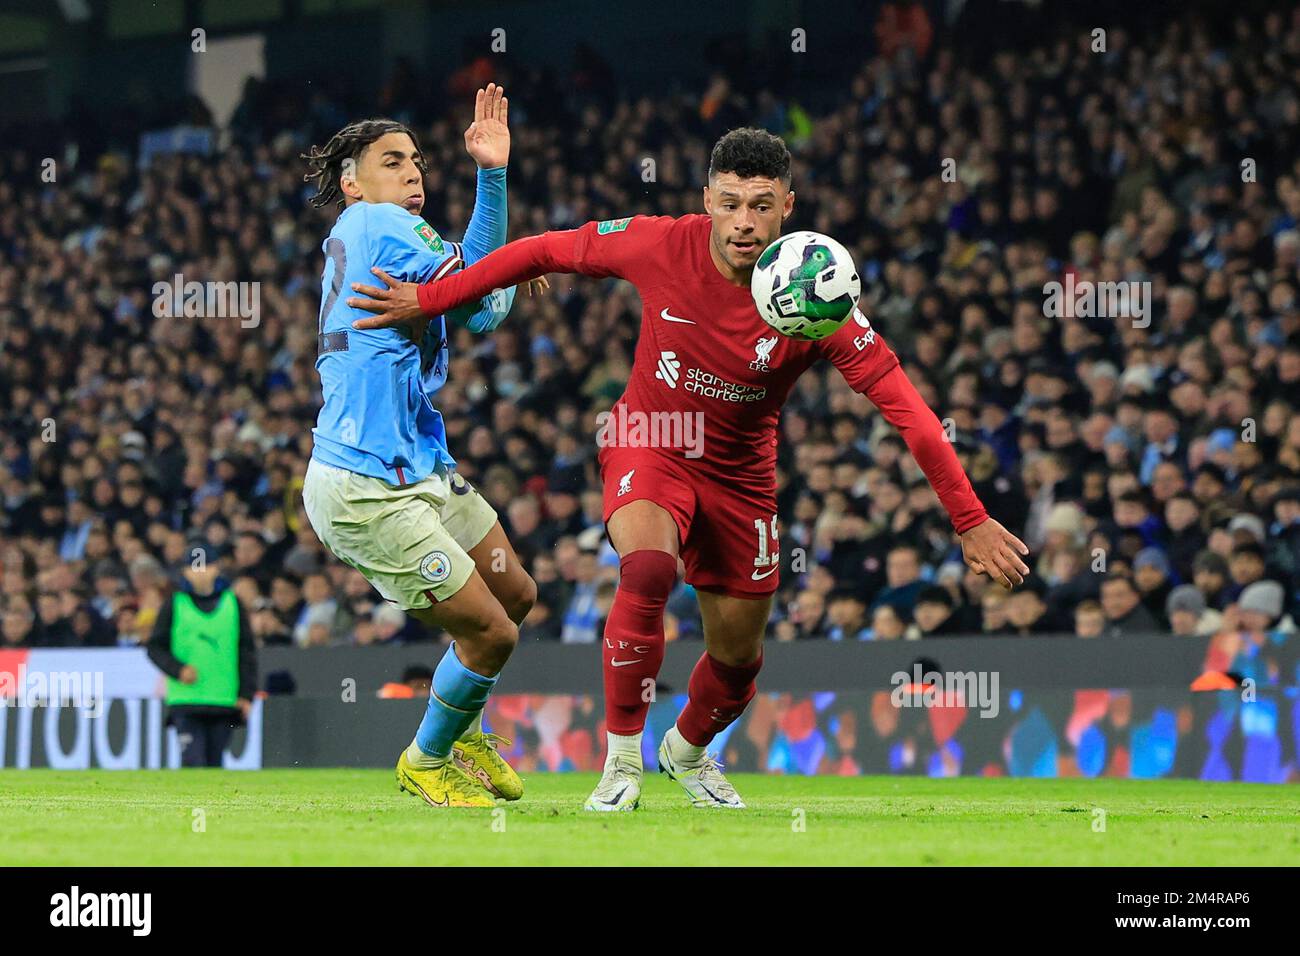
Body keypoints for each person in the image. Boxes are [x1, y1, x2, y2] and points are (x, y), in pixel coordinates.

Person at [348, 127, 1029, 811]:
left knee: (737, 665)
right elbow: (546, 248)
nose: (743, 222)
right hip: (649, 440)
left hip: (741, 475)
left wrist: (969, 520)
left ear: (788, 206)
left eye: (761, 205)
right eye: (730, 203)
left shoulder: (817, 295)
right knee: (646, 568)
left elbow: (908, 409)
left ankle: (687, 751)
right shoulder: (660, 242)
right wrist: (430, 300)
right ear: (707, 199)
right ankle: (620, 763)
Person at [299, 86, 539, 808]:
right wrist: (509, 253)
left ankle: (461, 726)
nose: (414, 174)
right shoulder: (371, 223)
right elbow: (477, 287)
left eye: (418, 162)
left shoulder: (409, 238)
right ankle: (427, 760)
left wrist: (492, 191)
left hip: (421, 469)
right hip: (364, 486)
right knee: (493, 633)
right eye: (392, 161)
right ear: (352, 182)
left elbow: (475, 297)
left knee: (517, 593)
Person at [146, 538, 255, 767]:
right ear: (185, 572)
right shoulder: (174, 604)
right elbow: (154, 647)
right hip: (186, 699)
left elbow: (246, 652)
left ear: (216, 568)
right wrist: (178, 670)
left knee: (214, 763)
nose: (201, 573)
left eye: (206, 566)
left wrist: (246, 694)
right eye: (194, 567)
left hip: (223, 698)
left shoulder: (233, 604)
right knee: (193, 760)